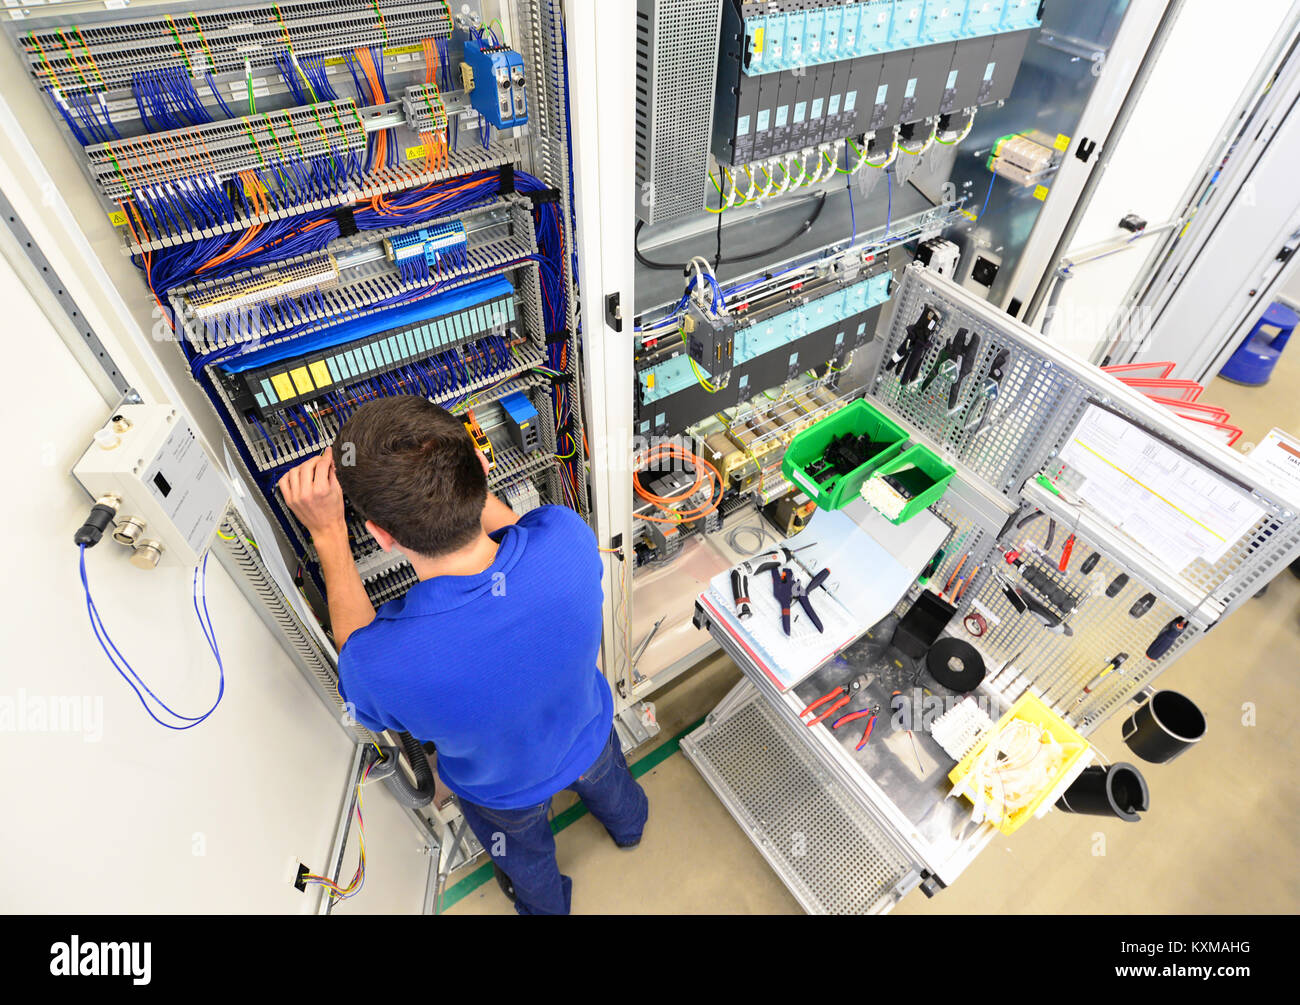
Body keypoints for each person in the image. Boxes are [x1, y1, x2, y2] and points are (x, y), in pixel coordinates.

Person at [277, 395, 647, 914]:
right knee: (613, 789)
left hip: (503, 792)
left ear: (381, 536)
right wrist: (462, 483)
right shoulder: (566, 536)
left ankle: (548, 909)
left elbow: (356, 655)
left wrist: (329, 534)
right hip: (589, 733)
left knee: (527, 857)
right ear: (478, 469)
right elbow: (517, 534)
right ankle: (631, 829)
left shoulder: (383, 664)